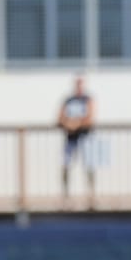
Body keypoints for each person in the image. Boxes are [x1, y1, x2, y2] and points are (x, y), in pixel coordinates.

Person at [58, 75, 97, 203]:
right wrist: (69, 124)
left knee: (89, 165)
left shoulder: (87, 99)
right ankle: (65, 195)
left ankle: (91, 194)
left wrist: (76, 124)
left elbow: (90, 117)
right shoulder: (68, 100)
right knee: (66, 165)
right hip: (70, 138)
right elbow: (60, 117)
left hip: (85, 137)